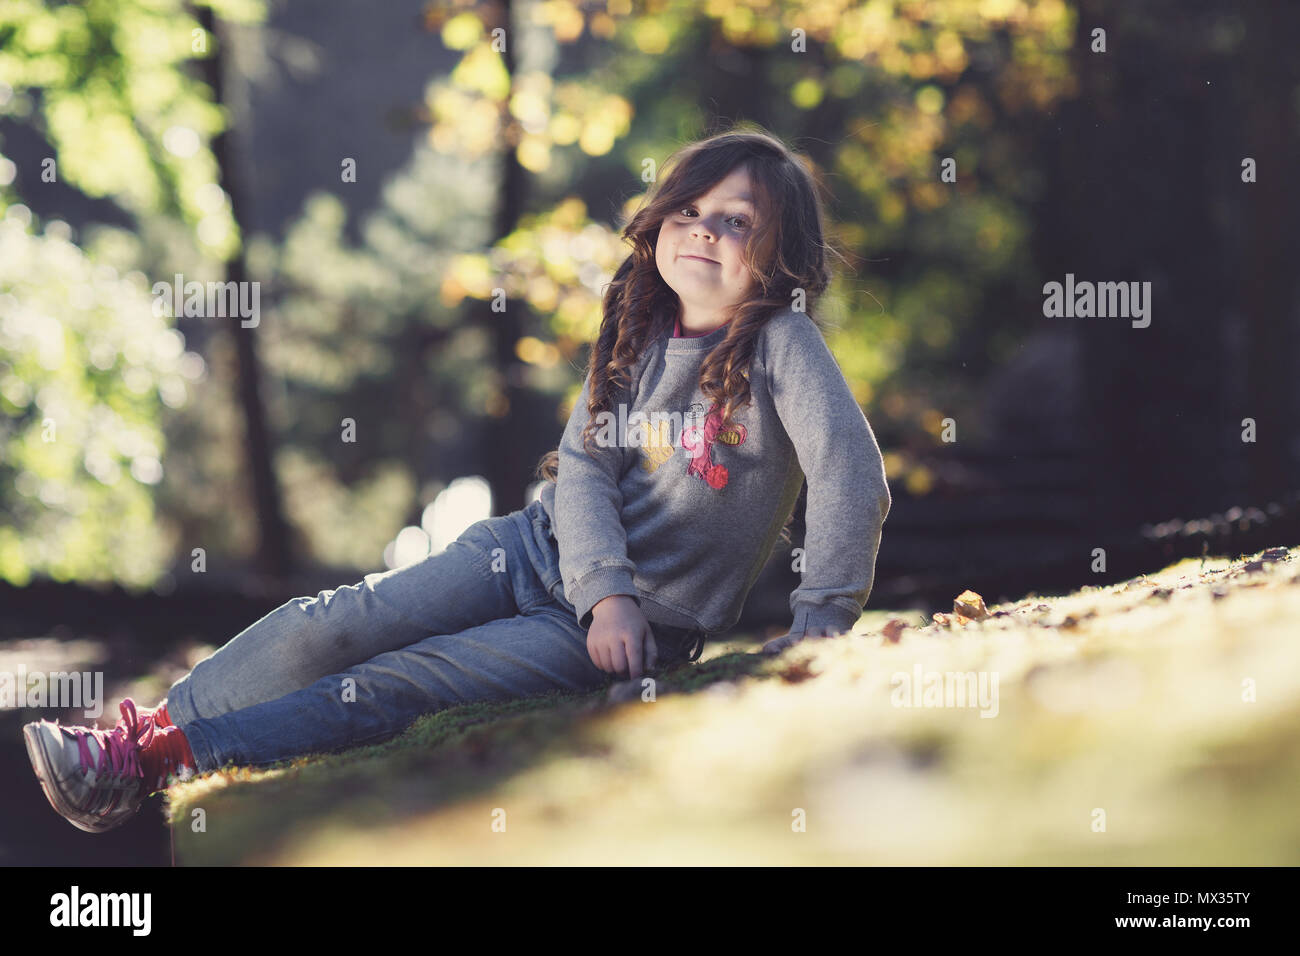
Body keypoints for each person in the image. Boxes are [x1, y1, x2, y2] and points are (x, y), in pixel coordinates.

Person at [22, 126, 892, 834]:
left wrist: (819, 622)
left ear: (782, 255)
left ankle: (162, 764)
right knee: (340, 621)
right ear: (657, 225)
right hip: (529, 551)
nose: (705, 230)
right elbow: (585, 467)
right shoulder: (637, 327)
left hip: (635, 626)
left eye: (737, 220)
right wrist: (605, 588)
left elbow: (852, 475)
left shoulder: (783, 348)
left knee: (396, 687)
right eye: (689, 210)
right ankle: (144, 738)